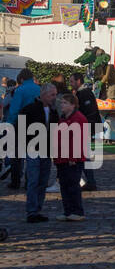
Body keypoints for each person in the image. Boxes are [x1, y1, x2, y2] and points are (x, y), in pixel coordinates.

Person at [19, 83, 57, 222]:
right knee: (33, 180)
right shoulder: (30, 109)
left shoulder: (54, 111)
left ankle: (37, 209)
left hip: (46, 150)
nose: (54, 97)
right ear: (44, 94)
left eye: (55, 94)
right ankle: (32, 211)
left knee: (42, 181)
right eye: (52, 94)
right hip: (33, 149)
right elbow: (20, 128)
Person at [52, 93, 89, 222]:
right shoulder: (63, 118)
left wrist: (73, 157)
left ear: (72, 105)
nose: (62, 105)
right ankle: (68, 211)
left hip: (73, 159)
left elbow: (78, 140)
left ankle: (77, 211)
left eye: (65, 103)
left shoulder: (78, 118)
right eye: (61, 102)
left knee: (73, 185)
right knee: (64, 186)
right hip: (62, 158)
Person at [5, 68, 41, 190]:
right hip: (37, 125)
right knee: (33, 155)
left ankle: (15, 181)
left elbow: (14, 110)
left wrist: (9, 124)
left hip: (21, 124)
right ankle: (29, 181)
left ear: (21, 79)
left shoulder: (19, 90)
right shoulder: (39, 89)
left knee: (17, 155)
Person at [71, 73, 104, 191]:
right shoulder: (84, 92)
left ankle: (88, 181)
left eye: (72, 81)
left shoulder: (84, 93)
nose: (71, 84)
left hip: (85, 127)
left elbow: (88, 111)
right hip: (86, 126)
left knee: (82, 156)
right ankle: (88, 180)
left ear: (78, 81)